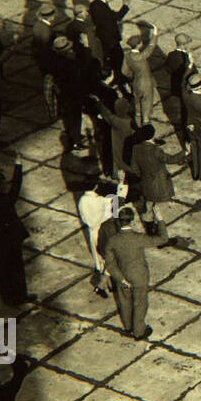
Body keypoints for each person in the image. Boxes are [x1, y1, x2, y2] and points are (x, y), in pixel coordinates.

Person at [103, 206, 178, 341]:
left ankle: (127, 327)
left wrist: (121, 278)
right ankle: (139, 331)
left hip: (122, 274)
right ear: (131, 220)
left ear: (119, 221)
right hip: (139, 275)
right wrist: (160, 219)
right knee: (140, 302)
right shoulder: (138, 238)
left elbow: (109, 263)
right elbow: (163, 239)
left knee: (125, 301)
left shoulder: (112, 240)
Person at [0, 161, 34, 307]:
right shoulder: (7, 200)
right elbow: (17, 184)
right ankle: (20, 295)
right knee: (17, 268)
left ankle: (8, 297)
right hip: (12, 238)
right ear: (2, 186)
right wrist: (18, 165)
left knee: (4, 269)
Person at [126, 124, 173, 233]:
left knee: (148, 205)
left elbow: (135, 168)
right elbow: (170, 159)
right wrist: (185, 153)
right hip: (158, 184)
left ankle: (149, 227)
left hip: (146, 183)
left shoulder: (136, 148)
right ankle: (158, 232)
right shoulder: (156, 150)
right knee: (157, 209)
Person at [77, 181, 117, 297]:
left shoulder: (82, 200)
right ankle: (103, 285)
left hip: (91, 231)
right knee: (108, 256)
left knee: (97, 256)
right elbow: (110, 211)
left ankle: (104, 280)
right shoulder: (100, 201)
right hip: (102, 230)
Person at [87, 0, 128, 83]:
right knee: (117, 58)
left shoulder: (94, 5)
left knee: (113, 58)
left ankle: (117, 76)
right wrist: (125, 6)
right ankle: (118, 78)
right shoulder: (100, 6)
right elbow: (116, 17)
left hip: (104, 36)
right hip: (110, 38)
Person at [124, 24, 159, 129]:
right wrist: (155, 34)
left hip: (136, 83)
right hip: (146, 84)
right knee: (146, 107)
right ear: (138, 45)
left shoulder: (127, 55)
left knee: (138, 108)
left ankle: (138, 128)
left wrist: (134, 77)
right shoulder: (139, 57)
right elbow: (150, 47)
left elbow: (124, 72)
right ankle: (146, 131)